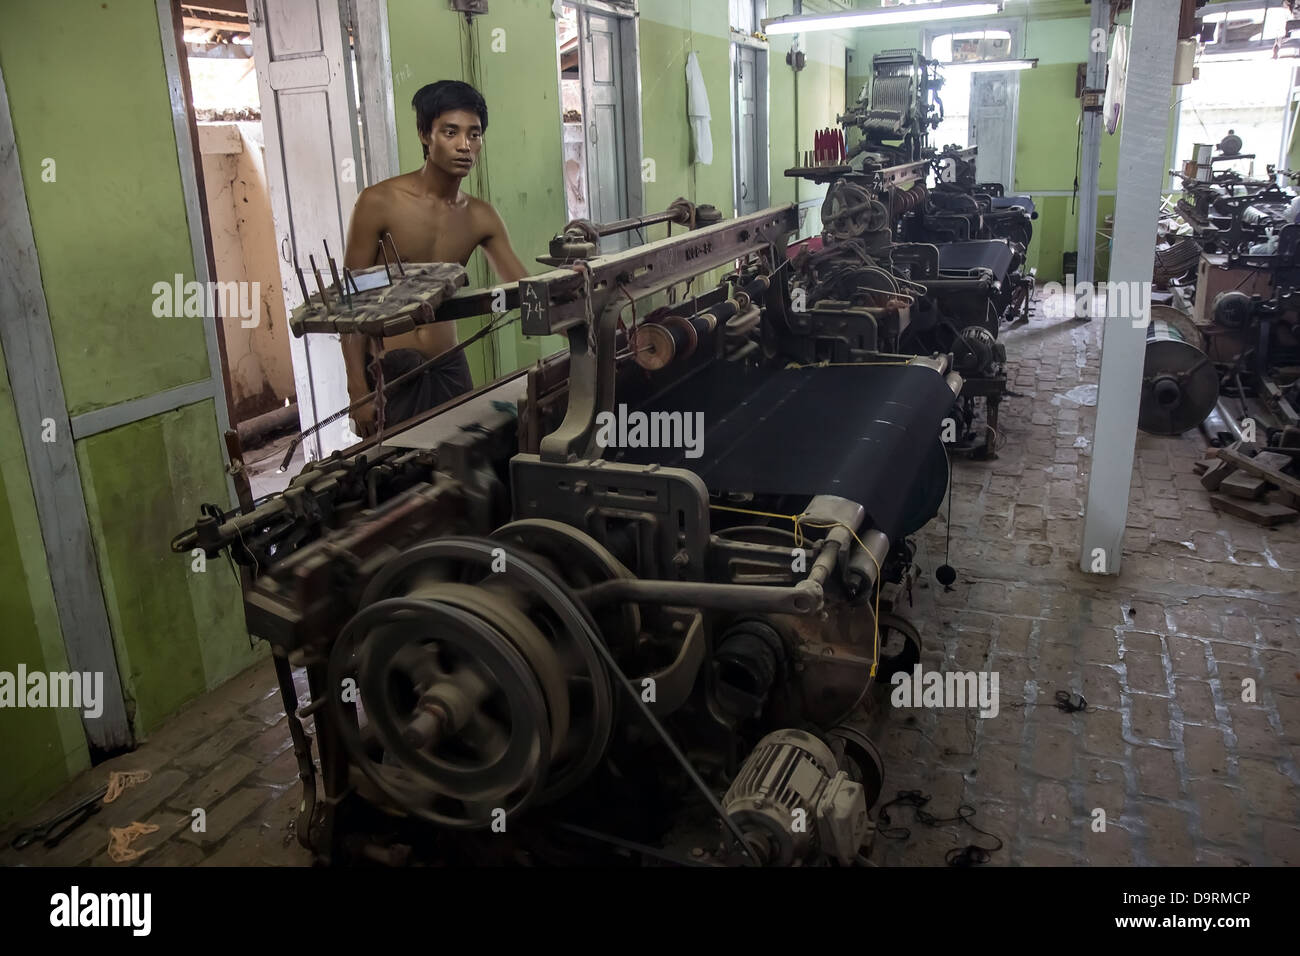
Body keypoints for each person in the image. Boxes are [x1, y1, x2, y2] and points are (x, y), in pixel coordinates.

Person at [342, 80, 528, 436]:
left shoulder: (480, 217)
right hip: (395, 372)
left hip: (450, 366)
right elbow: (353, 304)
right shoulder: (379, 203)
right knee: (399, 478)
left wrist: (577, 284)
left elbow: (526, 288)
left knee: (468, 465)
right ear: (425, 135)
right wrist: (357, 390)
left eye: (474, 135)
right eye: (450, 132)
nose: (465, 146)